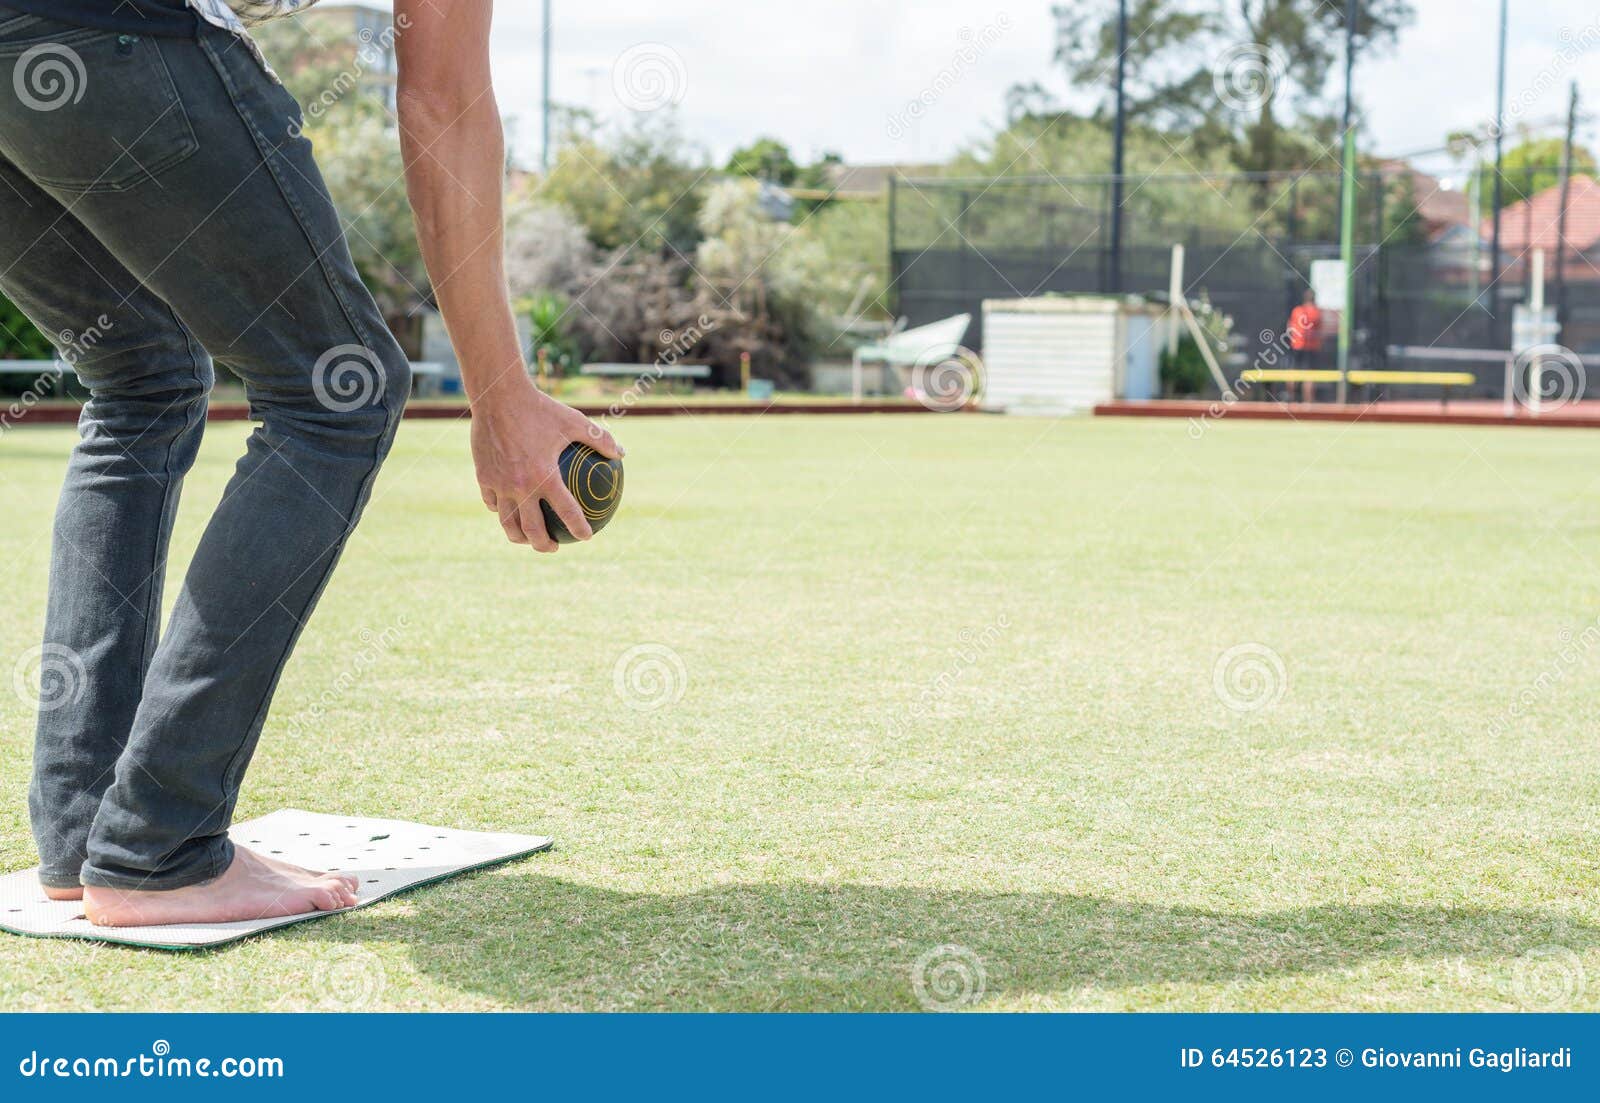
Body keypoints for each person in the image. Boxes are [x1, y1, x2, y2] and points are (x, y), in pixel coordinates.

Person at [0, 0, 620, 927]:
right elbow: (444, 96)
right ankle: (157, 846)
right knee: (342, 388)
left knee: (140, 374)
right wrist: (501, 395)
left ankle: (91, 834)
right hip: (106, 31)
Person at [1286, 289, 1323, 403]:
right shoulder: (1316, 312)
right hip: (1311, 348)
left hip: (1297, 346)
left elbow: (1289, 327)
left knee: (1293, 371)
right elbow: (1320, 331)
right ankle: (1308, 402)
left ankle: (1291, 399)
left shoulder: (1297, 311)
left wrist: (1296, 338)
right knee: (1310, 374)